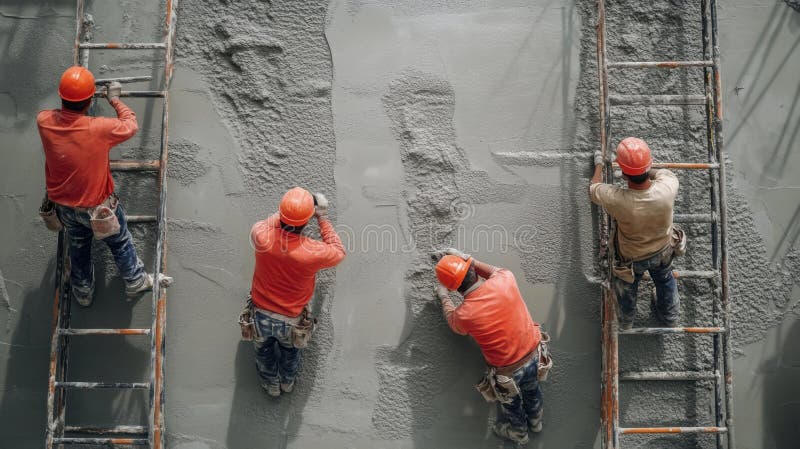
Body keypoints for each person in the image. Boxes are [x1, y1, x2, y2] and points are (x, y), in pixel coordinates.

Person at [37, 66, 165, 307]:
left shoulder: (44, 122)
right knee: (119, 241)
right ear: (88, 102)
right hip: (97, 209)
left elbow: (56, 114)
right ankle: (135, 280)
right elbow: (130, 125)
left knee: (78, 244)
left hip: (63, 207)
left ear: (62, 97)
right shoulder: (99, 128)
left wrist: (80, 103)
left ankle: (83, 292)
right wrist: (115, 99)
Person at [433, 249, 544, 445]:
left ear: (454, 289)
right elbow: (491, 270)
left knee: (511, 403)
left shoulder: (464, 315)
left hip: (507, 371)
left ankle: (519, 433)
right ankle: (536, 422)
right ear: (472, 269)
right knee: (532, 389)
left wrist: (443, 297)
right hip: (534, 353)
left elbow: (453, 323)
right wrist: (466, 257)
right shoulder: (505, 278)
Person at [249, 187, 345, 397]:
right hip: (292, 318)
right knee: (290, 353)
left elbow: (269, 222)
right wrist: (322, 217)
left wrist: (288, 211)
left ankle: (271, 385)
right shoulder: (313, 252)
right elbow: (338, 251)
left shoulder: (260, 236)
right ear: (306, 221)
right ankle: (287, 383)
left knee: (263, 352)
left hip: (261, 314)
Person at [590, 137, 681, 329]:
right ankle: (670, 317)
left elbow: (594, 189)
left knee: (628, 286)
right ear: (649, 167)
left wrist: (599, 164)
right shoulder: (667, 188)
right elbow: (663, 173)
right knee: (665, 279)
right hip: (664, 250)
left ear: (623, 174)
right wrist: (644, 169)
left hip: (632, 258)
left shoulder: (618, 200)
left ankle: (626, 321)